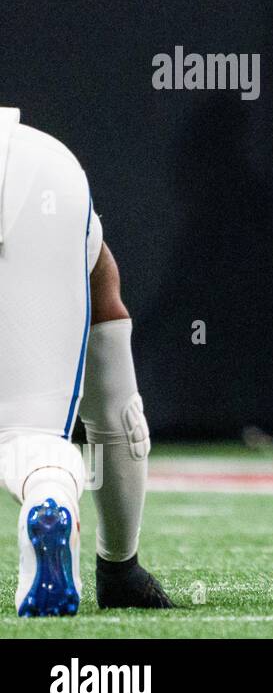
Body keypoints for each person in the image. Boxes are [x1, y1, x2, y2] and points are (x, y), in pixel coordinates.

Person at [0, 108, 171, 615]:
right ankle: (119, 565)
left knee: (21, 437)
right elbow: (105, 296)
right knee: (33, 435)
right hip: (36, 162)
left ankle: (49, 487)